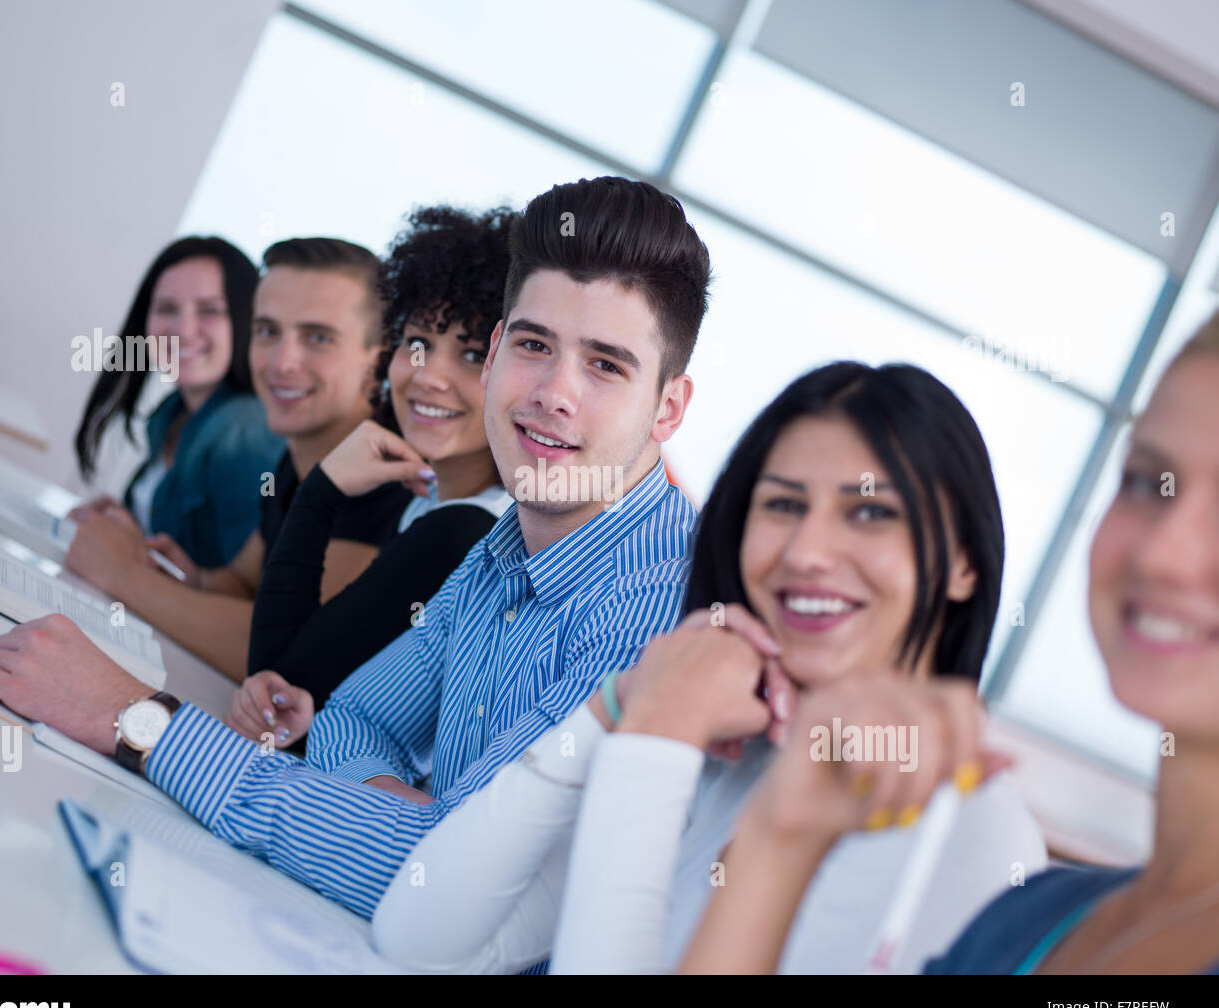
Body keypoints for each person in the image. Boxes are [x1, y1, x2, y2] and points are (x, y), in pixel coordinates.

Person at [0, 177, 710, 945]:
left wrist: (138, 719)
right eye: (534, 346)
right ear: (499, 355)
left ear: (669, 407)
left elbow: (451, 898)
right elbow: (349, 721)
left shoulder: (657, 617)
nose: (555, 391)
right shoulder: (506, 546)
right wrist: (408, 820)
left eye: (606, 366)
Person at [369, 362, 1046, 974]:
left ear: (963, 563)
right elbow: (418, 937)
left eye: (870, 511)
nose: (807, 551)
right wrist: (616, 703)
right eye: (782, 504)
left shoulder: (973, 830)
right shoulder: (723, 743)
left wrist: (658, 733)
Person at [679, 313, 1219, 975]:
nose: (1164, 553)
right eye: (1146, 481)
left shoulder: (984, 850)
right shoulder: (1034, 917)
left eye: (871, 511)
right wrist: (779, 840)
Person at [65, 237, 401, 681]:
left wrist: (123, 574)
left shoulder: (384, 479)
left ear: (379, 360)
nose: (281, 362)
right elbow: (245, 585)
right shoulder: (299, 453)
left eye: (317, 337)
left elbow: (289, 655)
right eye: (267, 331)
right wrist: (179, 574)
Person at [239, 205, 517, 735]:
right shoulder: (430, 499)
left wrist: (320, 492)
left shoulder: (464, 531)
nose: (428, 376)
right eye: (418, 344)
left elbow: (277, 684)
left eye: (471, 354)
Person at [72, 236, 282, 569]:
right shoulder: (173, 411)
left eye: (210, 310)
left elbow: (244, 600)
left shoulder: (246, 433)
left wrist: (133, 560)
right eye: (166, 309)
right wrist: (122, 527)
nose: (182, 330)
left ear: (246, 320)